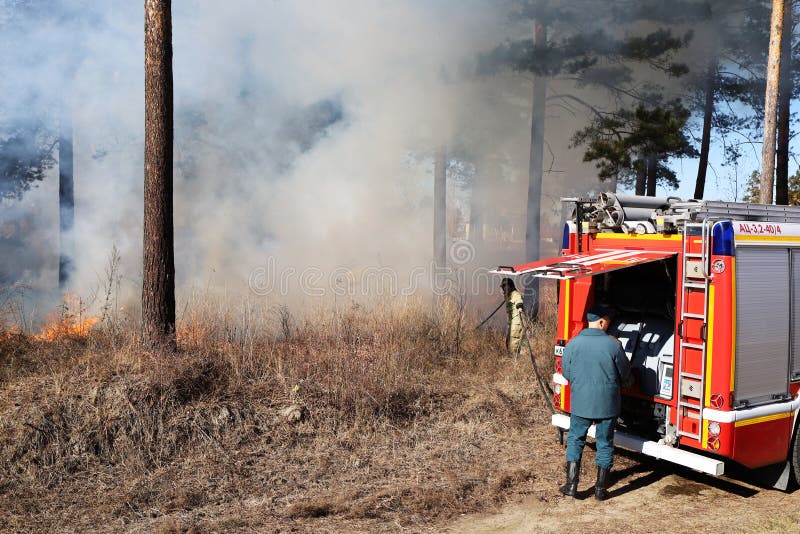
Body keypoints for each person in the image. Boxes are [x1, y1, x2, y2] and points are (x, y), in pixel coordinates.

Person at [559, 304, 631, 501]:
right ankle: (600, 489)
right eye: (608, 320)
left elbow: (566, 372)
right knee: (605, 443)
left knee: (575, 439)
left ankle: (571, 485)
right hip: (607, 404)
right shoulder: (614, 345)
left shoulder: (573, 344)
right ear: (601, 321)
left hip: (581, 402)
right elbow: (625, 375)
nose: (609, 324)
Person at [500, 278, 524, 354]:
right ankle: (515, 356)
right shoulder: (508, 296)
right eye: (503, 286)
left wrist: (519, 307)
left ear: (510, 286)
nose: (503, 288)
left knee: (513, 342)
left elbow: (518, 300)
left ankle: (514, 359)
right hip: (512, 321)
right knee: (508, 341)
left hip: (517, 320)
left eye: (505, 286)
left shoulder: (515, 294)